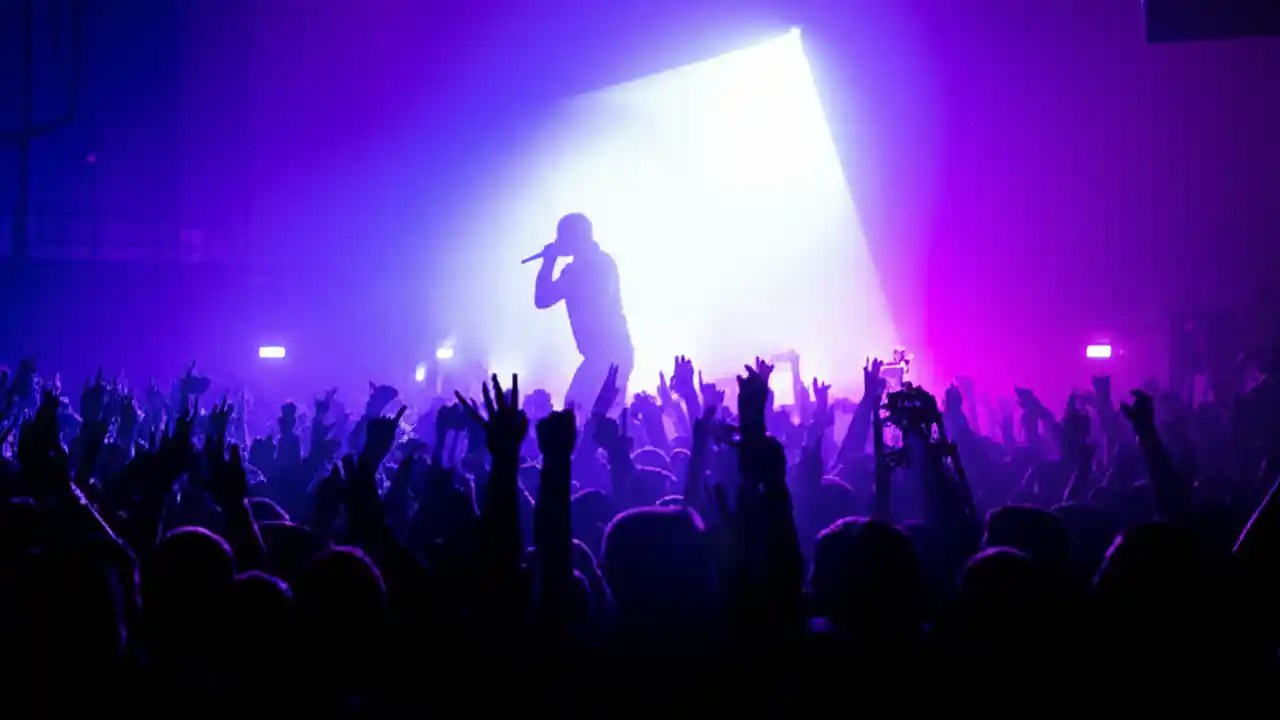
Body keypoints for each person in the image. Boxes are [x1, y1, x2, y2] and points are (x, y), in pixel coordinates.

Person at [533, 213, 634, 409]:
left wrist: (549, 261)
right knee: (599, 413)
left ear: (575, 237)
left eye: (562, 236)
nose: (558, 241)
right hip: (614, 351)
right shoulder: (602, 262)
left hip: (606, 354)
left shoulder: (582, 269)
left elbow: (542, 299)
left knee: (575, 408)